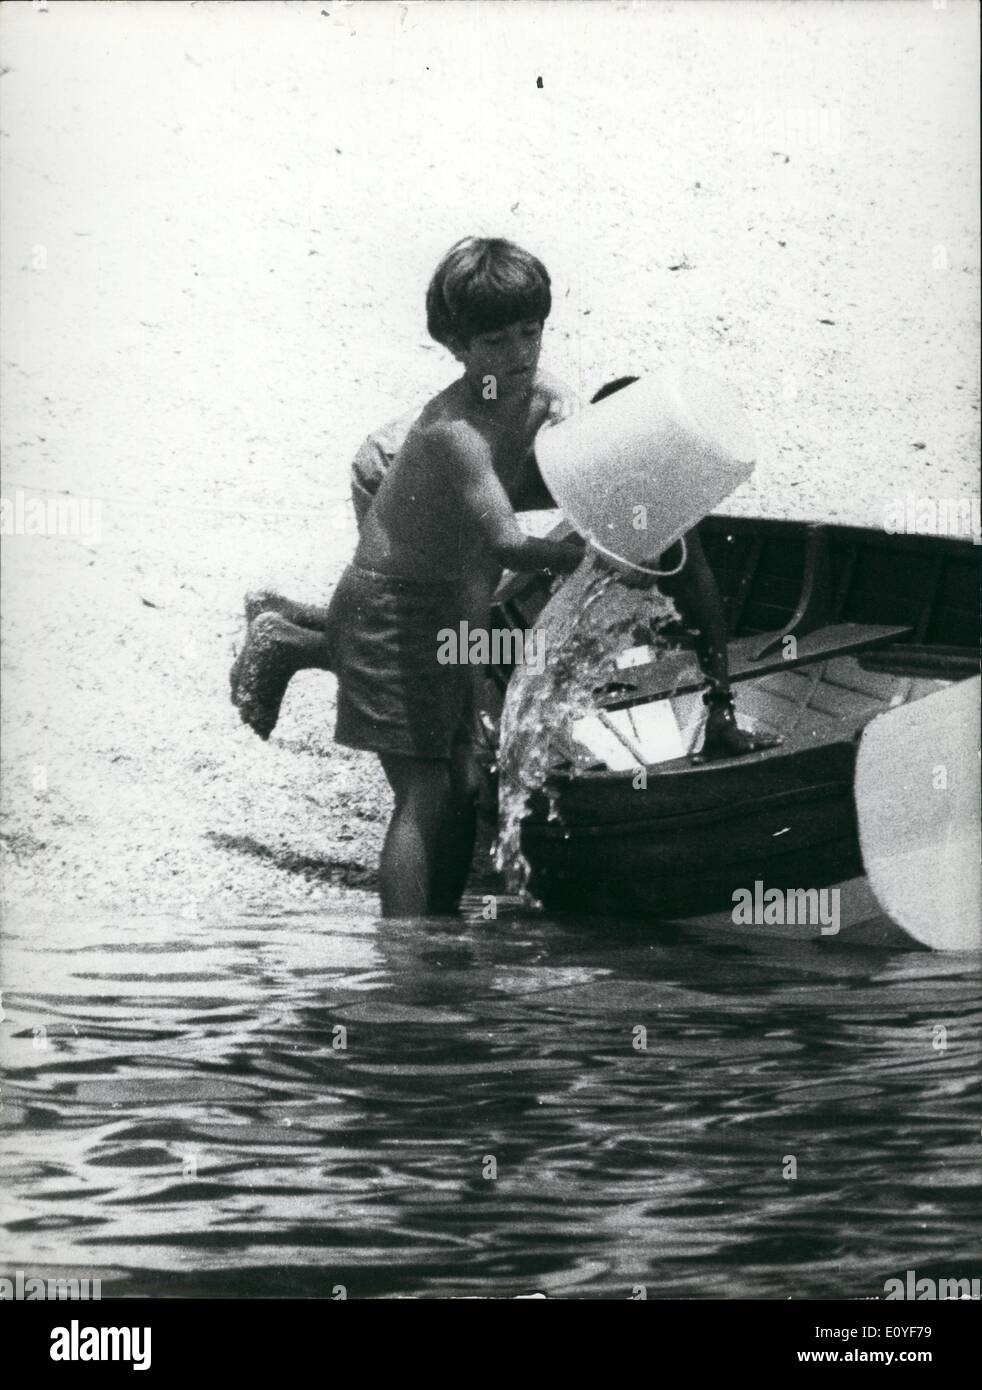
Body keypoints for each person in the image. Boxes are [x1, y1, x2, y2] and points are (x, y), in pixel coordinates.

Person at [233, 237, 584, 917]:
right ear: (455, 344)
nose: (519, 353)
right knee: (423, 788)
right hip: (387, 611)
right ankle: (404, 952)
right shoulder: (454, 431)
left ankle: (440, 927)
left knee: (465, 775)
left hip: (455, 608)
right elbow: (509, 543)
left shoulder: (538, 391)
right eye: (494, 341)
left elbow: (570, 415)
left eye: (530, 332)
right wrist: (580, 557)